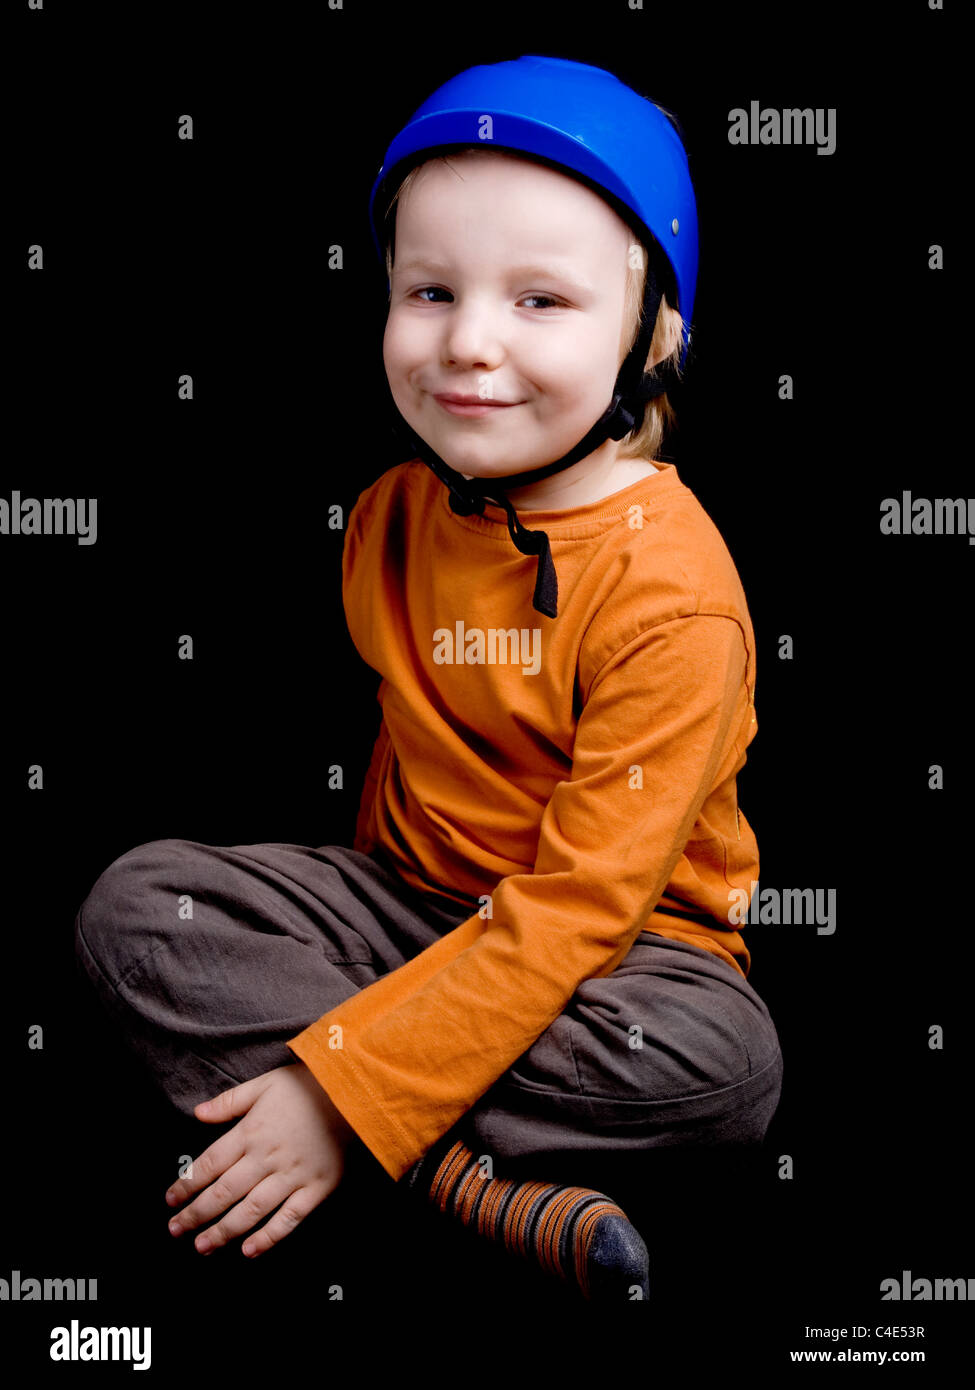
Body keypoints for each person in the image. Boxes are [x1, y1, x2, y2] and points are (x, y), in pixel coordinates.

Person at [73, 55, 783, 1303]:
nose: (469, 343)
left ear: (654, 334)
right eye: (430, 290)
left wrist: (344, 1073)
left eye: (543, 302)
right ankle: (467, 1177)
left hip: (621, 958)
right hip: (410, 908)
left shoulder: (676, 595)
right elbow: (412, 748)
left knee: (725, 1072)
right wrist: (375, 1038)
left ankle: (354, 1113)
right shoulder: (391, 514)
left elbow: (576, 911)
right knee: (138, 907)